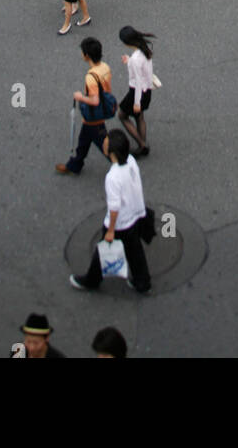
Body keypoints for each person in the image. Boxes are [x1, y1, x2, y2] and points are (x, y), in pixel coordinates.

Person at [69, 131, 151, 294]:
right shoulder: (131, 161)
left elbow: (114, 208)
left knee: (103, 249)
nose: (103, 144)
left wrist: (111, 230)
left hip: (120, 223)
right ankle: (143, 282)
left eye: (105, 143)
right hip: (134, 215)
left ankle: (92, 280)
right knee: (135, 250)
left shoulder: (113, 177)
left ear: (112, 153)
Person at [56, 36, 111, 173]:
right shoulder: (105, 67)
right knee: (84, 140)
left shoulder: (91, 77)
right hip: (102, 109)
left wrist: (80, 97)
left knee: (101, 141)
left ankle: (120, 163)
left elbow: (95, 100)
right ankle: (75, 164)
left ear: (87, 56)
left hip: (94, 114)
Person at [118, 25, 155, 155]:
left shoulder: (135, 60)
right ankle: (142, 143)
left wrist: (136, 102)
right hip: (147, 89)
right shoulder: (145, 48)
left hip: (136, 92)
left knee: (122, 115)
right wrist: (129, 61)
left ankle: (142, 144)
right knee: (140, 117)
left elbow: (138, 81)